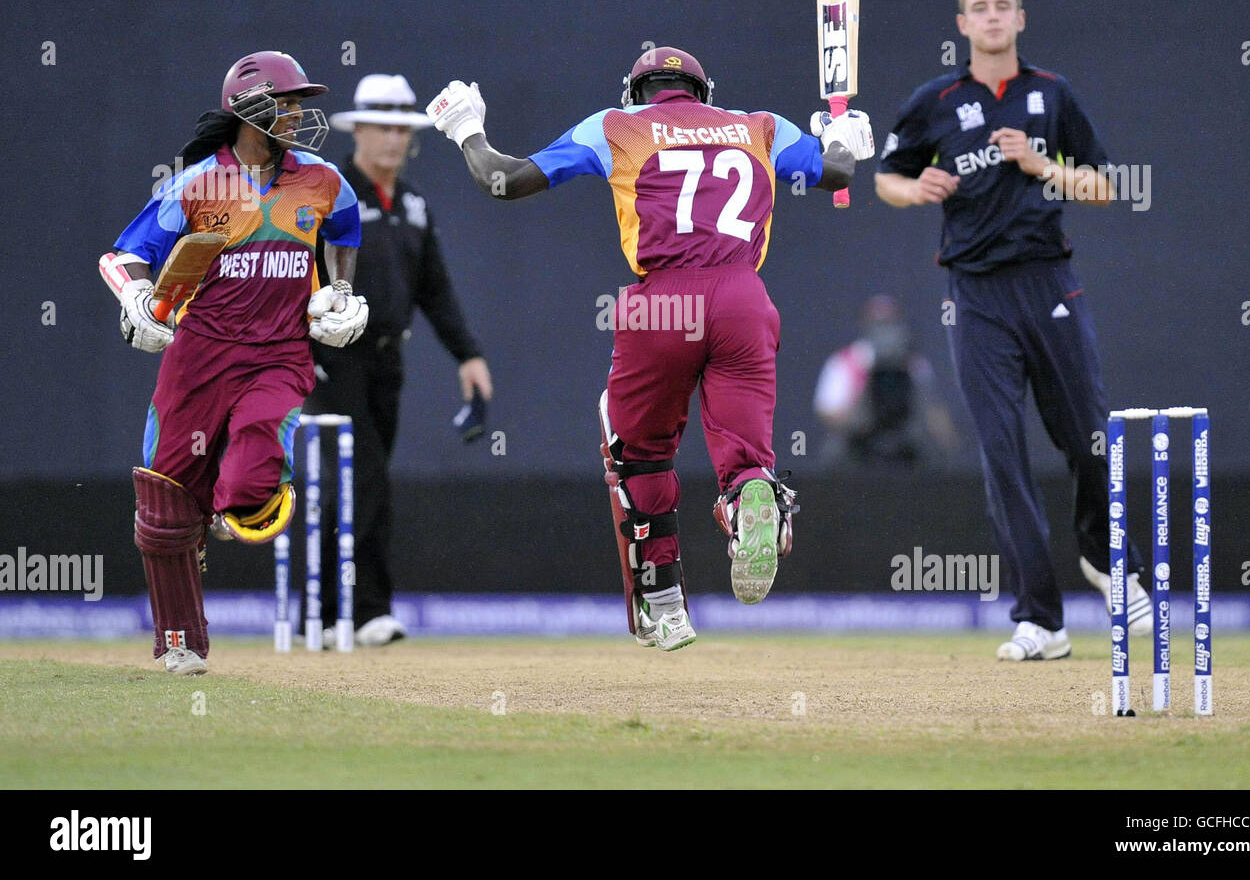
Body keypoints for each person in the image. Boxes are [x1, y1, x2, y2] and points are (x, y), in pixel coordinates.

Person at [426, 46, 874, 650]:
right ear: (702, 91)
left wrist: (466, 128)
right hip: (744, 300)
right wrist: (842, 135)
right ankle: (751, 501)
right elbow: (838, 172)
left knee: (637, 454)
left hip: (662, 303)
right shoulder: (761, 127)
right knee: (745, 459)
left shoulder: (616, 126)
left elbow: (501, 180)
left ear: (636, 93)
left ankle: (663, 604)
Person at [873, 0, 1151, 661]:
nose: (993, 17)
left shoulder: (1052, 95)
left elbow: (1106, 186)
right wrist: (916, 190)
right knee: (1002, 451)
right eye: (979, 8)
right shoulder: (934, 100)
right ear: (962, 25)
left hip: (1049, 282)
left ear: (1020, 20)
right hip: (975, 296)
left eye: (1004, 7)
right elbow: (884, 177)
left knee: (1088, 432)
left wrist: (1042, 166)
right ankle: (1041, 621)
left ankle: (1108, 559)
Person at [103, 50, 367, 674]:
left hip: (279, 355)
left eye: (303, 103)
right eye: (288, 103)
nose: (301, 115)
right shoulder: (197, 184)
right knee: (167, 505)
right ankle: (180, 643)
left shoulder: (323, 179)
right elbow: (122, 256)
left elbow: (346, 231)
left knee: (250, 478)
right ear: (247, 110)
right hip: (198, 355)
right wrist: (138, 297)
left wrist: (341, 290)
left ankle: (226, 508)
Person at [303, 73, 493, 648]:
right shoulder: (329, 197)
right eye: (381, 127)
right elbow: (298, 276)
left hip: (388, 361)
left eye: (402, 130)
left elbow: (434, 290)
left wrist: (468, 354)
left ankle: (363, 611)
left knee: (373, 479)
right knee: (359, 480)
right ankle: (343, 613)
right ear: (358, 129)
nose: (392, 140)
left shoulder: (412, 205)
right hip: (331, 359)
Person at [813, 294, 959, 469]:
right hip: (859, 440)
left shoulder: (913, 363)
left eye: (889, 322)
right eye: (878, 322)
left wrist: (948, 444)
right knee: (834, 452)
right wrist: (862, 410)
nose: (884, 329)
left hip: (908, 439)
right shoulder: (846, 362)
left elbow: (932, 411)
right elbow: (828, 412)